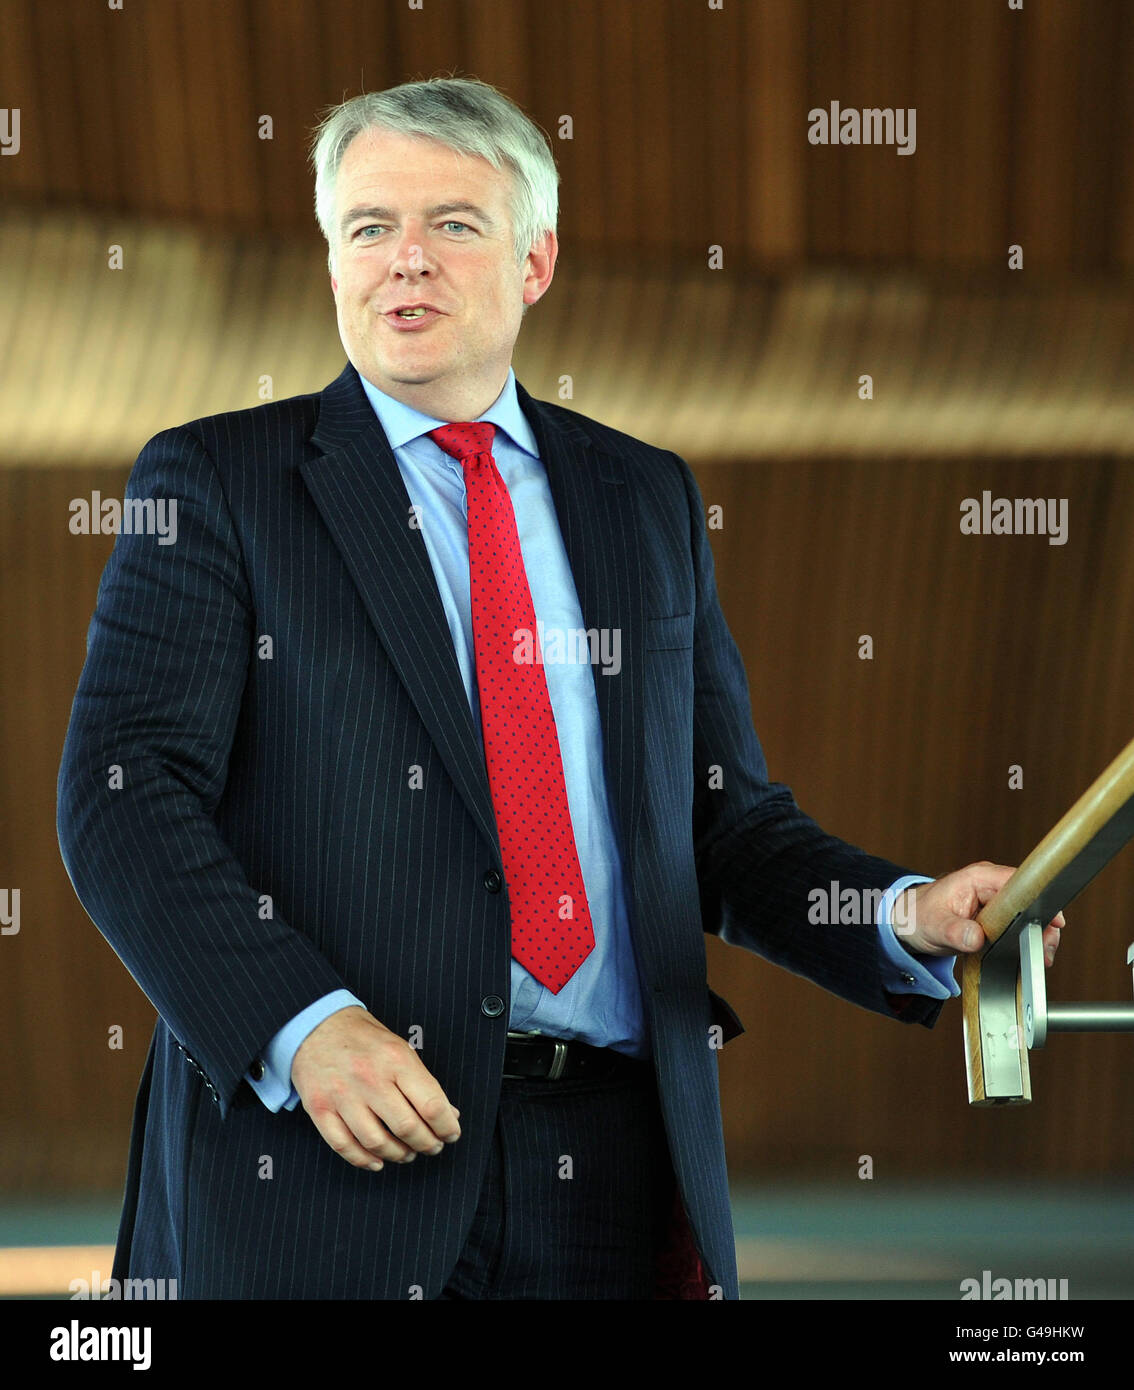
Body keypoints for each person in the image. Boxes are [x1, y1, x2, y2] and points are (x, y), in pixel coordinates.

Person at [56, 75, 1063, 1300]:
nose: (405, 262)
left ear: (536, 261)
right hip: (325, 1158)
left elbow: (723, 824)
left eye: (453, 226)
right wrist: (302, 1025)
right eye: (369, 228)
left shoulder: (642, 499)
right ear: (331, 265)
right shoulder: (216, 481)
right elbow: (124, 796)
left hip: (611, 1172)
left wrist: (901, 914)